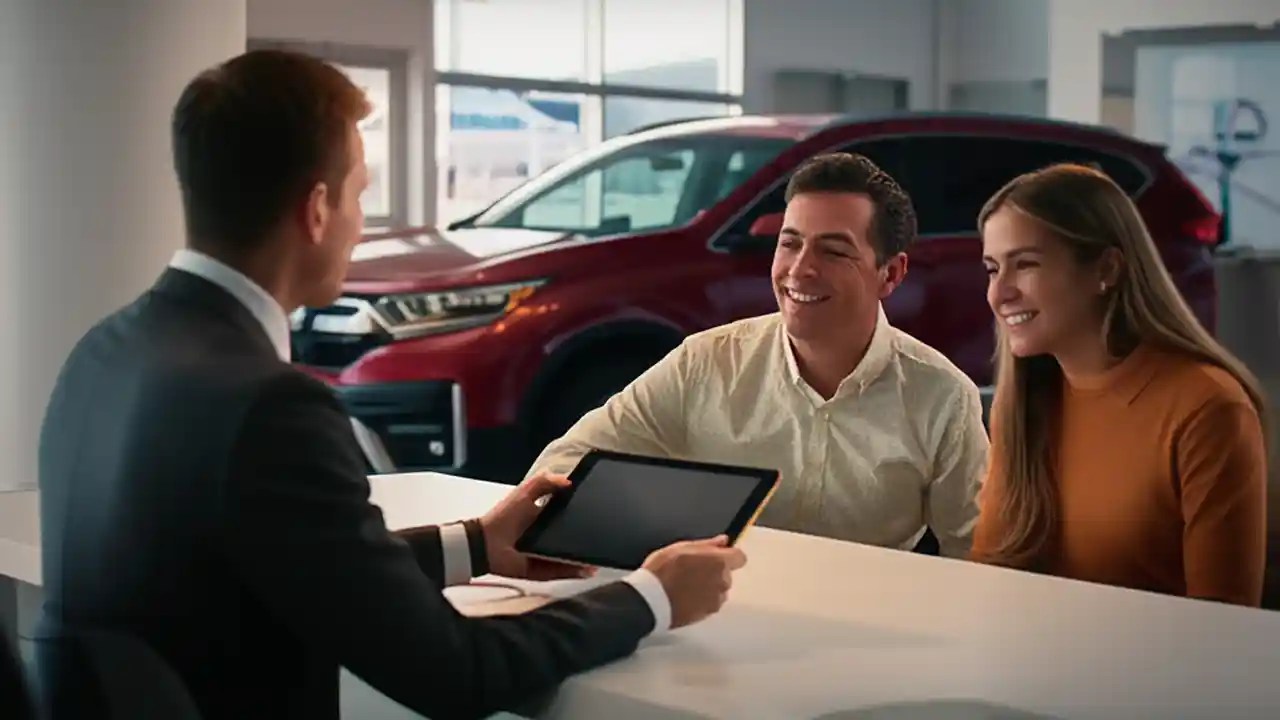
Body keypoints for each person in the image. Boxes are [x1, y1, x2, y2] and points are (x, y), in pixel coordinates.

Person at [33, 49, 746, 720]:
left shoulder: (107, 352)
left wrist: (479, 545)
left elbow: (286, 562)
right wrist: (651, 597)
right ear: (316, 211)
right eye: (358, 194)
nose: (358, 223)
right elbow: (454, 671)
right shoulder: (270, 407)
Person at [528, 153, 989, 558]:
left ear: (890, 274)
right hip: (715, 613)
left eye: (833, 251)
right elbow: (561, 466)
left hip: (864, 633)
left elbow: (977, 556)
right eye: (789, 243)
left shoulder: (941, 397)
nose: (800, 269)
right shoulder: (706, 363)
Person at [970, 162, 1269, 607]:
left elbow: (1223, 627)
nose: (999, 293)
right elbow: (991, 578)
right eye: (993, 269)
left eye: (1025, 264)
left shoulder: (1207, 407)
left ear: (1105, 269)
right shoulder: (1024, 405)